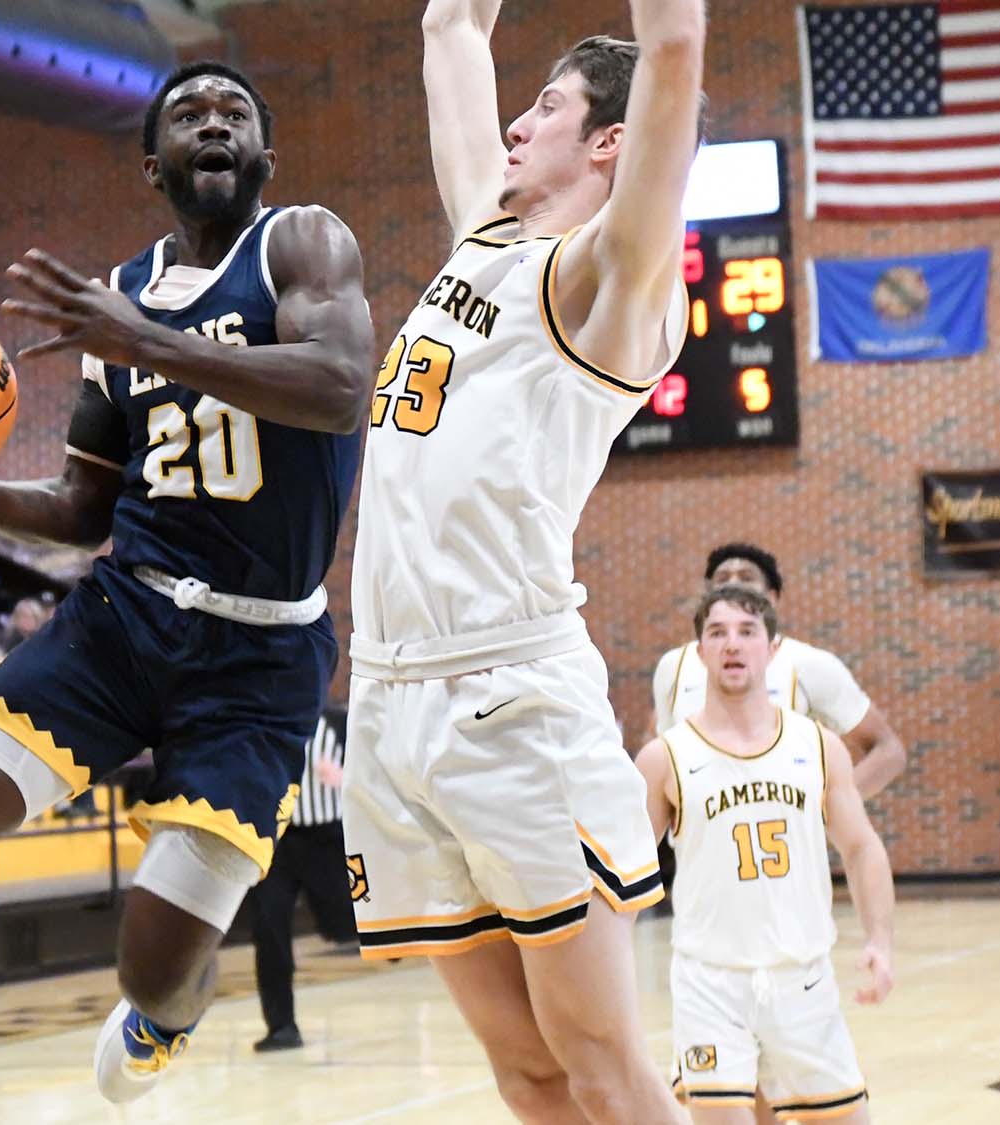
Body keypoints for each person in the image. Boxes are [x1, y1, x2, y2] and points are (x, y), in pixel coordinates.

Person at [0, 58, 374, 1121]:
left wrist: (140, 340)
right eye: (187, 114)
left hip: (259, 657)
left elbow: (338, 387)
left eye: (233, 111)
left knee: (154, 968)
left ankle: (162, 1018)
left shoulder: (300, 242)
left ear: (265, 154)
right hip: (124, 618)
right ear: (152, 164)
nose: (212, 121)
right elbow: (80, 506)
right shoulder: (121, 297)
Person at [341, 5, 704, 1120]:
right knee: (525, 1072)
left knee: (601, 1065)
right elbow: (449, 25)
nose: (515, 121)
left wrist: (669, 45)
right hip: (388, 698)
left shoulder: (611, 279)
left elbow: (675, 54)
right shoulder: (482, 238)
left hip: (511, 700)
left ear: (610, 140)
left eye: (547, 106)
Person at [635, 586, 893, 1123]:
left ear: (772, 649)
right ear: (700, 653)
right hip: (709, 981)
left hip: (802, 977)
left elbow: (862, 847)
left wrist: (880, 941)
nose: (732, 644)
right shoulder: (665, 757)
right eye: (717, 632)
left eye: (747, 632)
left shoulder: (817, 746)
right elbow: (621, 876)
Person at [652, 543, 908, 797]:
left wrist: (828, 809)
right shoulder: (674, 666)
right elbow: (660, 756)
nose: (733, 583)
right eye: (722, 578)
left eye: (746, 577)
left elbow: (889, 750)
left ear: (772, 597)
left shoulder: (808, 663)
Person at [249, 705, 354, 1053]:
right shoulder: (260, 722)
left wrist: (345, 776)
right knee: (269, 929)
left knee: (344, 922)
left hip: (325, 838)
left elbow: (380, 769)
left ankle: (394, 940)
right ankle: (281, 1026)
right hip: (275, 840)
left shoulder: (337, 723)